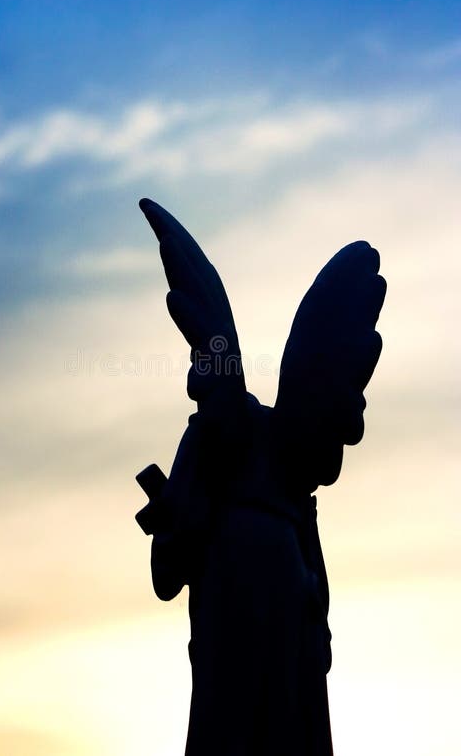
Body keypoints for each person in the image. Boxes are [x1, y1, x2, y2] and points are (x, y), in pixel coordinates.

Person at [135, 198, 386, 755]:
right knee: (276, 722)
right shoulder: (264, 442)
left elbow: (169, 568)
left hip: (253, 599)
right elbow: (307, 543)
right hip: (275, 603)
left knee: (240, 723)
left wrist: (167, 528)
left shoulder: (219, 431)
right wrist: (317, 616)